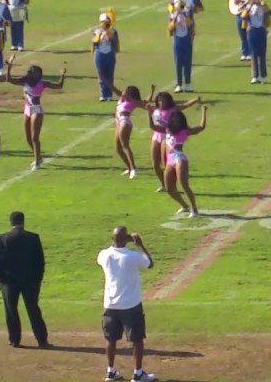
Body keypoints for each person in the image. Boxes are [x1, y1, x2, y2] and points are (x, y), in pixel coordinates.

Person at [97, 226, 156, 382]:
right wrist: (140, 244)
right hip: (131, 304)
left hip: (110, 305)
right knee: (137, 340)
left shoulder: (103, 255)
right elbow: (150, 263)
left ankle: (111, 371)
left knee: (111, 339)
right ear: (126, 239)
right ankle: (138, 374)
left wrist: (123, 240)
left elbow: (109, 253)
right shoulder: (132, 256)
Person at [0, 211, 50, 350]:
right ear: (23, 222)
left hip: (9, 281)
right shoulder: (33, 238)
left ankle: (14, 339)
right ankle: (42, 340)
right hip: (30, 281)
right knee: (33, 309)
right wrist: (37, 280)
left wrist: (1, 280)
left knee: (11, 310)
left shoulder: (2, 239)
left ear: (11, 222)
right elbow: (40, 262)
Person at [6, 57, 67, 169]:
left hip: (36, 110)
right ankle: (38, 156)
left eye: (38, 73)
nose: (36, 75)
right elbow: (9, 79)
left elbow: (59, 86)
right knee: (28, 138)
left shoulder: (42, 83)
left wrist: (62, 75)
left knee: (35, 137)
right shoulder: (24, 81)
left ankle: (37, 161)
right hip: (27, 109)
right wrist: (9, 66)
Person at [152, 106, 208, 217]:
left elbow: (201, 127)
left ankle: (194, 209)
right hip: (170, 160)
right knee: (169, 188)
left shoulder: (184, 131)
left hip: (179, 158)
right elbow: (154, 124)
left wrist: (204, 112)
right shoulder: (167, 128)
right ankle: (184, 206)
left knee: (184, 185)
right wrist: (150, 113)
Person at [145, 92, 202, 189]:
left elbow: (185, 105)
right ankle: (163, 184)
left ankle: (171, 185)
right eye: (159, 100)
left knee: (167, 163)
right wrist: (148, 110)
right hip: (157, 136)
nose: (161, 102)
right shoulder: (156, 110)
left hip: (167, 137)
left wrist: (195, 100)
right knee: (155, 164)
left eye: (163, 100)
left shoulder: (173, 110)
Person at [111, 84, 151, 178]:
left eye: (126, 91)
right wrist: (103, 79)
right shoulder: (122, 98)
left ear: (130, 94)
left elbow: (145, 102)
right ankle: (129, 168)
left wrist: (152, 92)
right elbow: (114, 88)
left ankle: (133, 169)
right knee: (118, 149)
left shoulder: (132, 101)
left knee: (125, 146)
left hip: (125, 122)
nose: (123, 92)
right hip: (119, 123)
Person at [168, 0, 196, 91]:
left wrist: (183, 14)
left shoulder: (187, 15)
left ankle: (188, 84)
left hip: (187, 41)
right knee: (178, 64)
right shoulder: (172, 16)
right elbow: (170, 29)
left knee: (187, 63)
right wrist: (175, 17)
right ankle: (179, 84)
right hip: (177, 42)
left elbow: (190, 24)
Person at [93, 11, 121, 102]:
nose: (105, 24)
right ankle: (103, 94)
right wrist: (100, 36)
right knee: (101, 75)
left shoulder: (113, 31)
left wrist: (109, 35)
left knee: (109, 74)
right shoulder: (96, 31)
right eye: (103, 23)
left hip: (110, 54)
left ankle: (109, 94)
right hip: (99, 54)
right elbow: (94, 42)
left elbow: (115, 41)